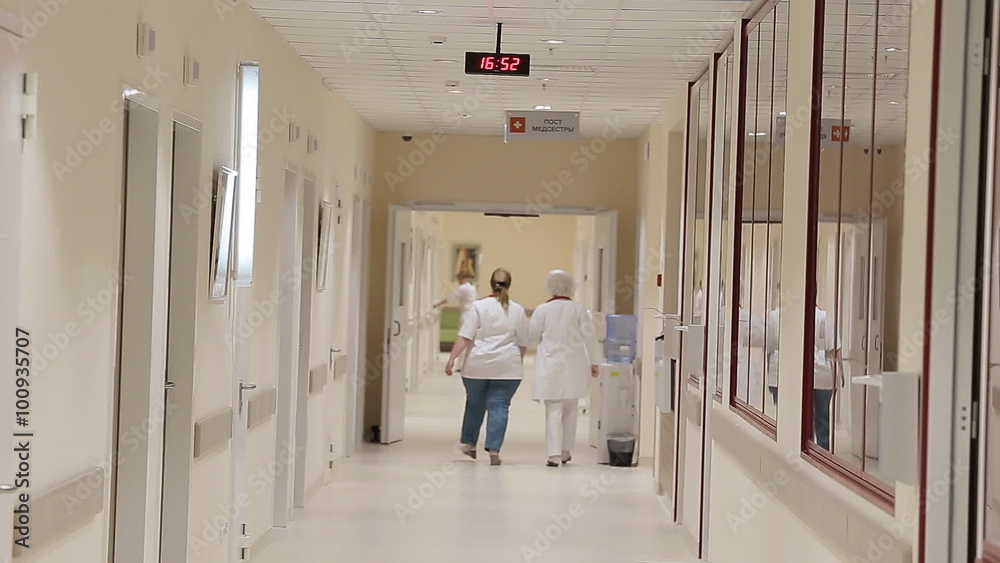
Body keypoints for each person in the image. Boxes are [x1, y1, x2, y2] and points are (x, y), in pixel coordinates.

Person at [445, 268, 528, 466]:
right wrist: (516, 360)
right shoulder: (517, 310)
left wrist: (452, 359)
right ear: (510, 285)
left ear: (491, 284)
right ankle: (494, 449)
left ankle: (469, 444)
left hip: (477, 367)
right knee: (499, 406)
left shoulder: (478, 306)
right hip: (508, 368)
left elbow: (465, 336)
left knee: (475, 404)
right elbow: (523, 342)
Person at [528, 270, 602, 467]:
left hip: (550, 366)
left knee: (553, 409)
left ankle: (553, 454)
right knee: (570, 409)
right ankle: (566, 450)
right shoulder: (579, 310)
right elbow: (591, 339)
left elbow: (531, 335)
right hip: (574, 366)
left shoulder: (542, 310)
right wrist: (596, 362)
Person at [766, 304, 841, 451]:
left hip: (793, 371)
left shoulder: (779, 316)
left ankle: (796, 447)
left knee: (796, 414)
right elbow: (834, 350)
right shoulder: (824, 317)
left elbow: (770, 347)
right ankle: (821, 451)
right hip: (823, 373)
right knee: (822, 416)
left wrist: (770, 370)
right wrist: (839, 376)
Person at [434, 273, 479, 371]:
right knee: (471, 340)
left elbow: (449, 298)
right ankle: (468, 364)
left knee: (463, 339)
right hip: (474, 315)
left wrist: (436, 304)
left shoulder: (463, 288)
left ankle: (461, 365)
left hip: (465, 316)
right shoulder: (473, 288)